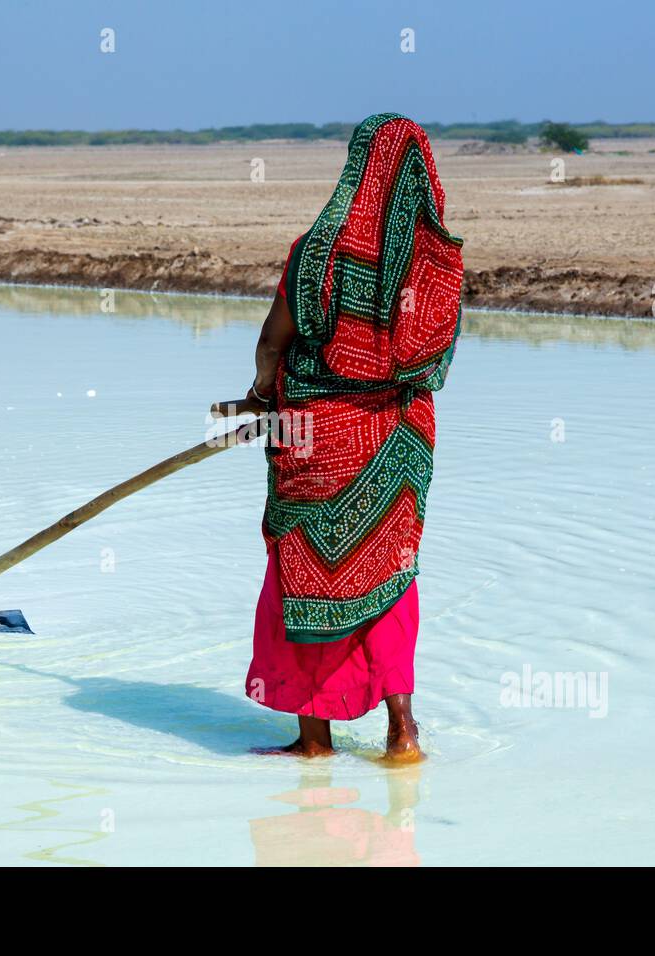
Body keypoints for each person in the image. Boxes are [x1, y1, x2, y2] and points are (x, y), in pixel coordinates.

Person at [212, 113, 464, 762]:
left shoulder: (318, 252)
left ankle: (313, 741)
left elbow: (274, 341)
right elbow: (426, 360)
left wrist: (261, 398)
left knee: (306, 572)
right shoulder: (435, 263)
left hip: (318, 440)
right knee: (390, 572)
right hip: (402, 440)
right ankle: (402, 731)